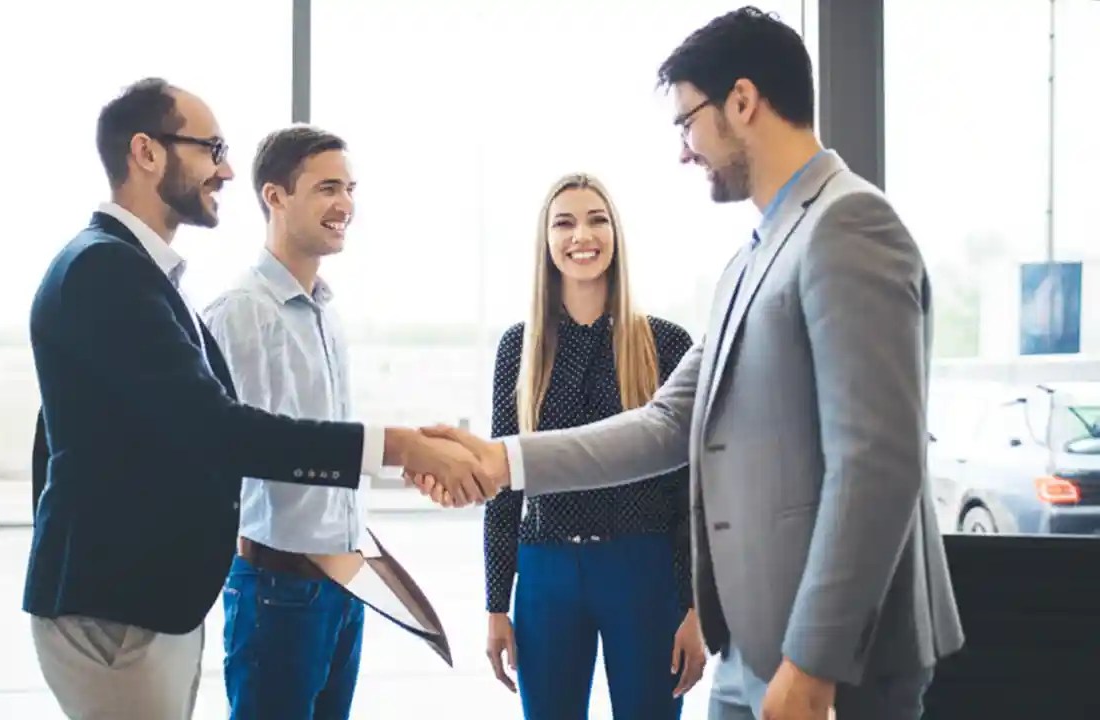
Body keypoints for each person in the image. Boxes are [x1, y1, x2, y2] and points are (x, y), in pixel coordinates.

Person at [413, 8, 964, 720]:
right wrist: (501, 462)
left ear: (742, 101)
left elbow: (878, 461)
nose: (684, 149)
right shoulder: (752, 259)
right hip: (758, 650)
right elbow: (667, 422)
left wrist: (814, 661)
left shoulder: (849, 225)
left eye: (686, 122)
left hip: (831, 659)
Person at [24, 78, 494, 720]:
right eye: (211, 148)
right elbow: (224, 433)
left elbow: (63, 436)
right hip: (122, 605)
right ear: (147, 153)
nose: (224, 169)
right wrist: (400, 446)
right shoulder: (107, 269)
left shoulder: (128, 271)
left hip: (146, 597)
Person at [481, 172, 706, 719]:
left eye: (596, 219)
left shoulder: (666, 343)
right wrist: (495, 605)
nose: (582, 235)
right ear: (547, 243)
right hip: (546, 573)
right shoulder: (520, 348)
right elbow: (502, 488)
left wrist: (696, 607)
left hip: (643, 568)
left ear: (616, 235)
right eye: (565, 222)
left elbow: (690, 491)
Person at [201, 124, 367, 719]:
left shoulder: (326, 309)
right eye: (327, 188)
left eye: (349, 188)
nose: (345, 204)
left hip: (344, 586)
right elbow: (234, 451)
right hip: (278, 592)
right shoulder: (242, 313)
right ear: (275, 196)